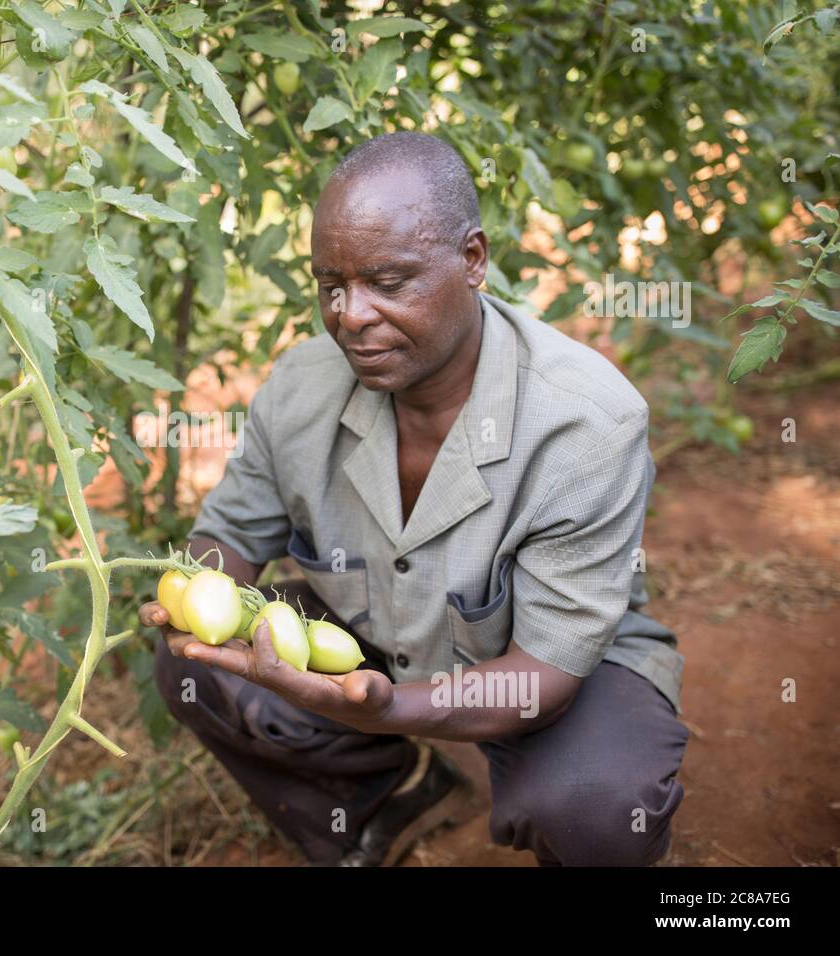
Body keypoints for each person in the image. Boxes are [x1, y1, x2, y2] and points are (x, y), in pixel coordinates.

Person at [139, 131, 689, 867]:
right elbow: (231, 534)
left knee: (597, 810)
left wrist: (387, 708)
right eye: (330, 284)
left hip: (545, 674)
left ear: (473, 259)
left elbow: (546, 675)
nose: (350, 315)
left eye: (388, 283)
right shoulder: (301, 388)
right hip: (378, 637)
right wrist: (199, 589)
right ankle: (391, 801)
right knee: (195, 666)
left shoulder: (584, 424)